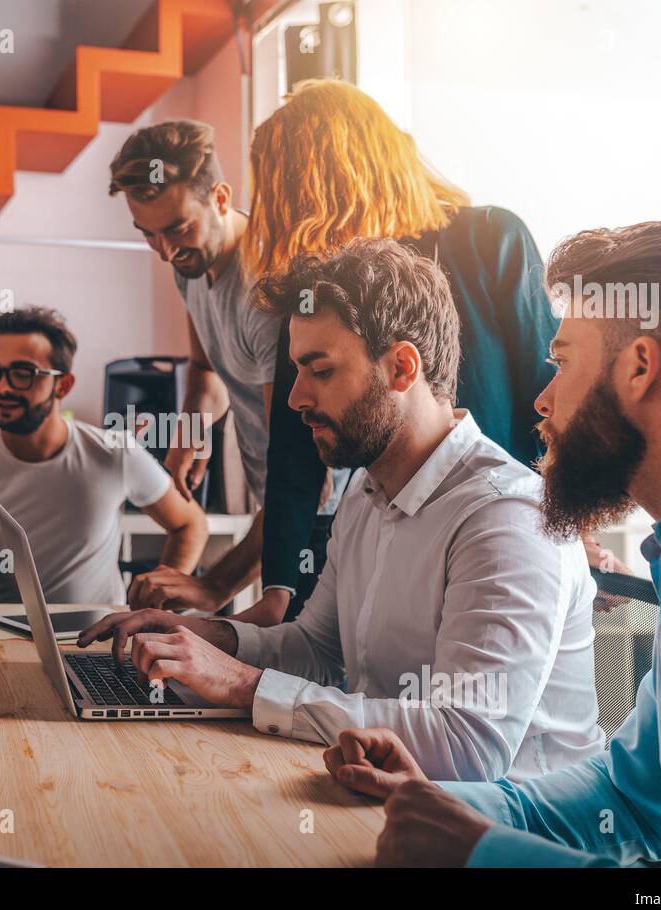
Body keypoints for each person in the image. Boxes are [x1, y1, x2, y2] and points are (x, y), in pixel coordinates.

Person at [326, 221, 661, 866]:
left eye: (562, 361)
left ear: (639, 367)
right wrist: (447, 803)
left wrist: (490, 857)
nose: (543, 399)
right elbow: (631, 798)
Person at [79, 239, 603, 781]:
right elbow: (319, 649)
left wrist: (239, 683)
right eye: (296, 372)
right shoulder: (365, 491)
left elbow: (466, 745)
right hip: (387, 799)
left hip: (510, 834)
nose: (295, 399)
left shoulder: (505, 518)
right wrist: (206, 637)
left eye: (320, 371)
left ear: (402, 367)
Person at [245, 79, 627, 626]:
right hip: (398, 530)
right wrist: (277, 587)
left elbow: (553, 395)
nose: (283, 212)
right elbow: (292, 450)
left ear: (331, 176)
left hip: (504, 535)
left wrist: (574, 529)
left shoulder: (491, 238)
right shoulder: (322, 288)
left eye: (287, 189)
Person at [107, 119, 304, 615]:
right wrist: (193, 431)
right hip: (279, 510)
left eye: (177, 229)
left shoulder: (268, 293)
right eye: (148, 234)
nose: (166, 252)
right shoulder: (190, 267)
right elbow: (204, 370)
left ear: (220, 197)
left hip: (313, 521)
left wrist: (214, 587)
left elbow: (297, 473)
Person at [0, 306, 207, 605]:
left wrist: (155, 605)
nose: (3, 387)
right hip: (2, 636)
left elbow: (191, 525)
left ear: (63, 385)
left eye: (23, 374)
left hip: (103, 637)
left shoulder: (115, 453)